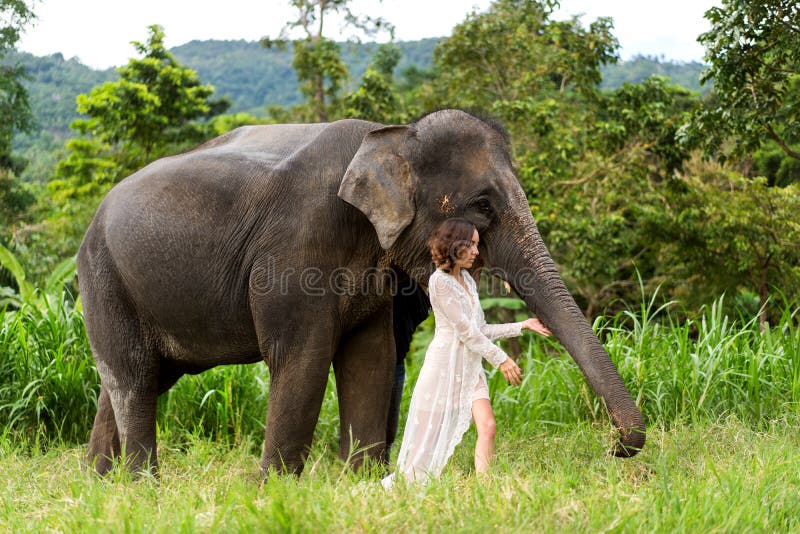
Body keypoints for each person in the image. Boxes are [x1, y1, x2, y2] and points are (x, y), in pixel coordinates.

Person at [382, 217, 551, 488]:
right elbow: (467, 333)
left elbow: (480, 327)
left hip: (470, 367)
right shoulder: (440, 282)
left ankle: (486, 488)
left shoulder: (468, 281)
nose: (476, 251)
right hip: (444, 369)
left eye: (476, 245)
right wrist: (502, 359)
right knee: (425, 445)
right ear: (454, 246)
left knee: (488, 426)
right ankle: (403, 485)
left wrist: (523, 325)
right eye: (471, 245)